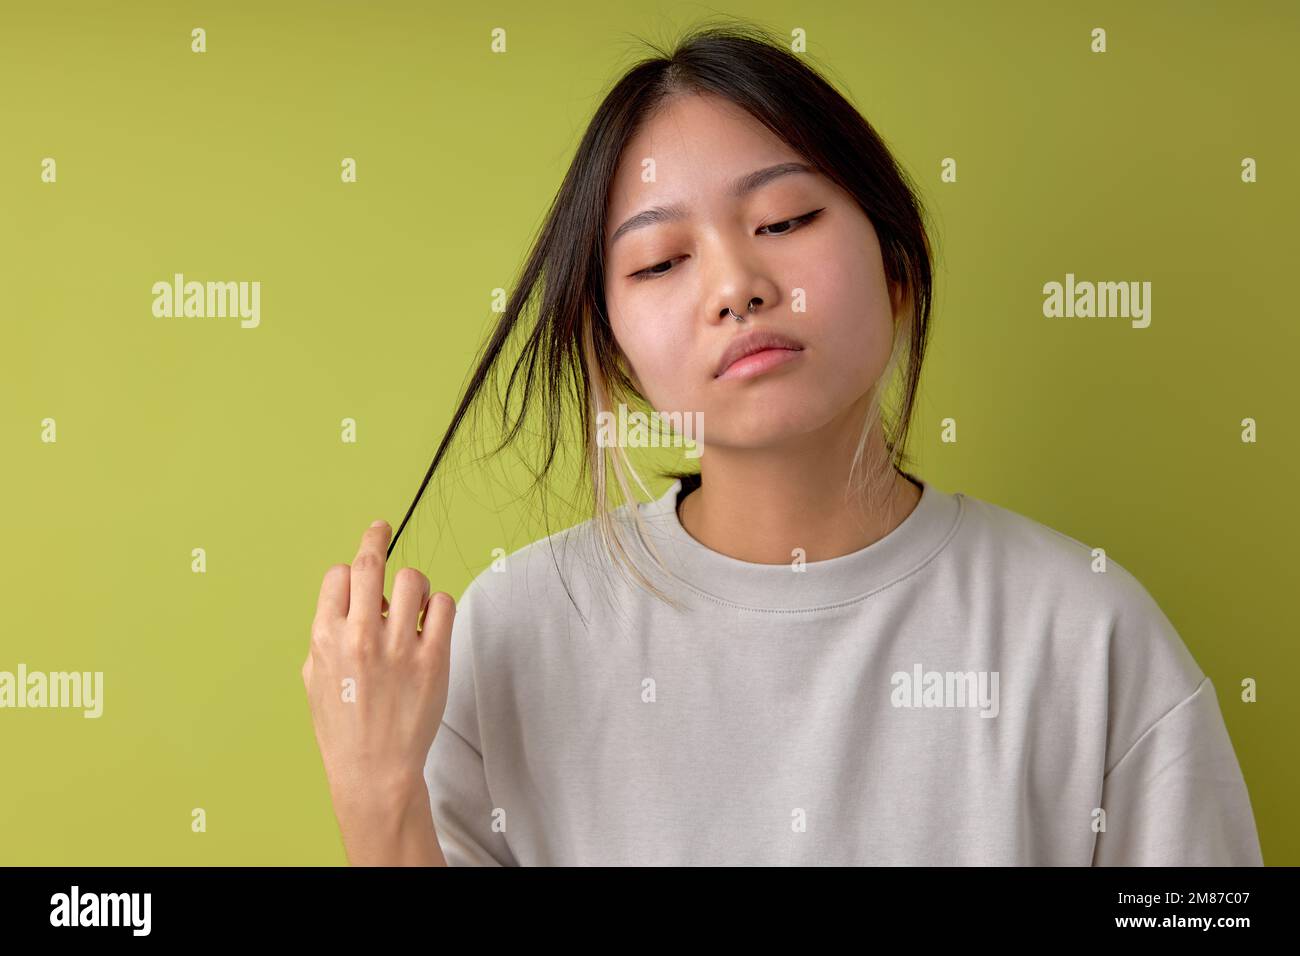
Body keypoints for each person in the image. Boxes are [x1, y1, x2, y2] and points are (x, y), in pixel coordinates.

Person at [302, 22, 1264, 866]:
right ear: (619, 353)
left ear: (896, 270)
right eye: (662, 260)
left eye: (786, 219)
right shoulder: (510, 640)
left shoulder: (1089, 636)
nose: (737, 283)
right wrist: (374, 793)